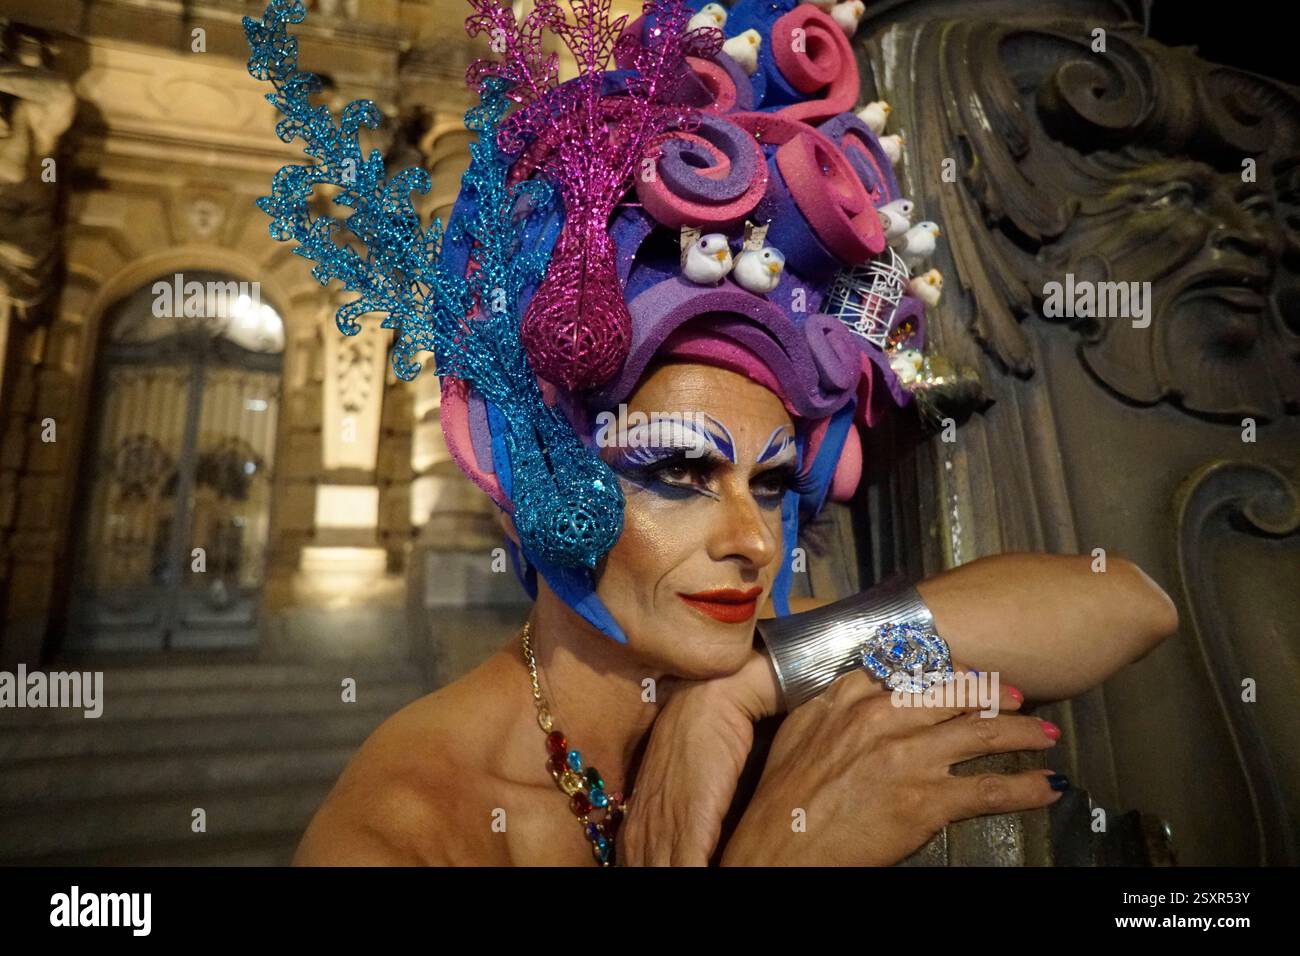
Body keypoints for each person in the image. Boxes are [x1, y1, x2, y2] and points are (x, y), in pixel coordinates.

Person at [243, 0, 1179, 866]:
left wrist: (756, 684)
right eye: (680, 469)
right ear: (538, 467)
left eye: (770, 483)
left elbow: (1133, 604)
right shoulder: (408, 826)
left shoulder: (741, 675)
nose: (751, 540)